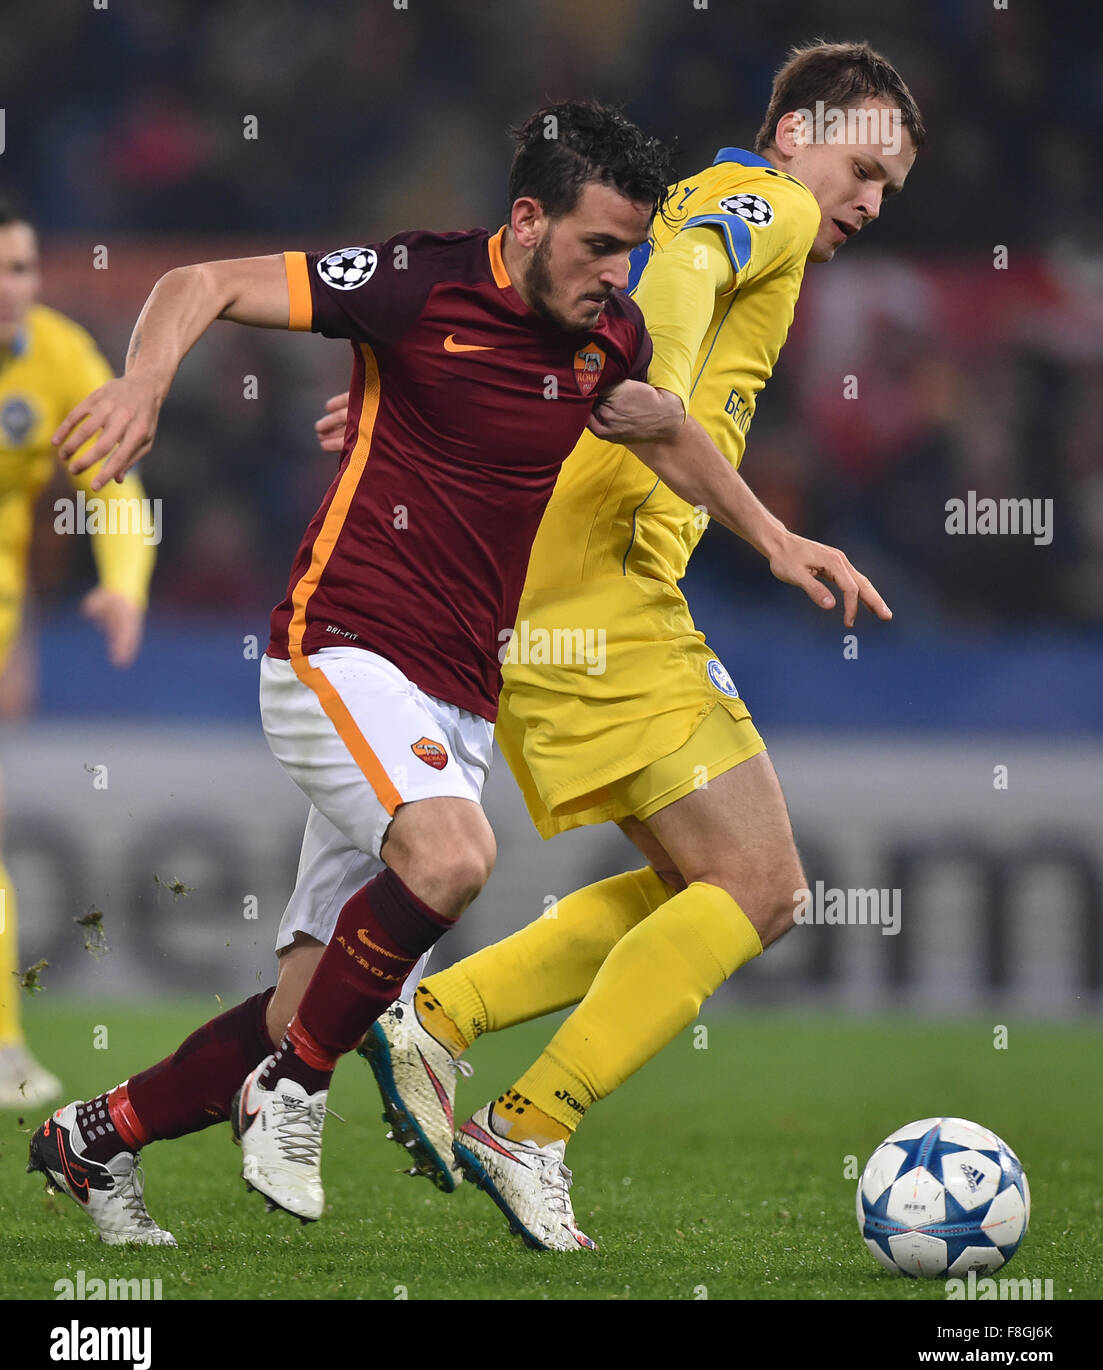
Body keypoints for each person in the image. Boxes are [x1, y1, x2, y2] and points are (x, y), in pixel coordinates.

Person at [25, 100, 858, 1245]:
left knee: (298, 1004)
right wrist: (147, 384)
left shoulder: (603, 336)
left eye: (629, 251)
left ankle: (95, 1136)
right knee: (454, 852)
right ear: (526, 221)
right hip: (343, 644)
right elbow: (199, 283)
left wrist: (775, 540)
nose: (617, 277)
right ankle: (296, 1089)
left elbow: (661, 428)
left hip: (456, 691)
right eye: (597, 247)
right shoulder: (417, 283)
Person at [336, 40, 921, 1251]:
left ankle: (438, 1014)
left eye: (888, 188)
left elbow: (603, 302)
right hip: (599, 587)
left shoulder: (730, 213)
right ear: (799, 134)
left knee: (698, 889)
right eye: (861, 167)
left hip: (572, 585)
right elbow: (674, 288)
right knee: (760, 889)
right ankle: (528, 1122)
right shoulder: (755, 201)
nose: (866, 201)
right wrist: (627, 390)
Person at [0, 200, 155, 1107]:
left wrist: (122, 583)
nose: (10, 289)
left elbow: (116, 483)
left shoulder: (59, 357)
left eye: (21, 269)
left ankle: (7, 1046)